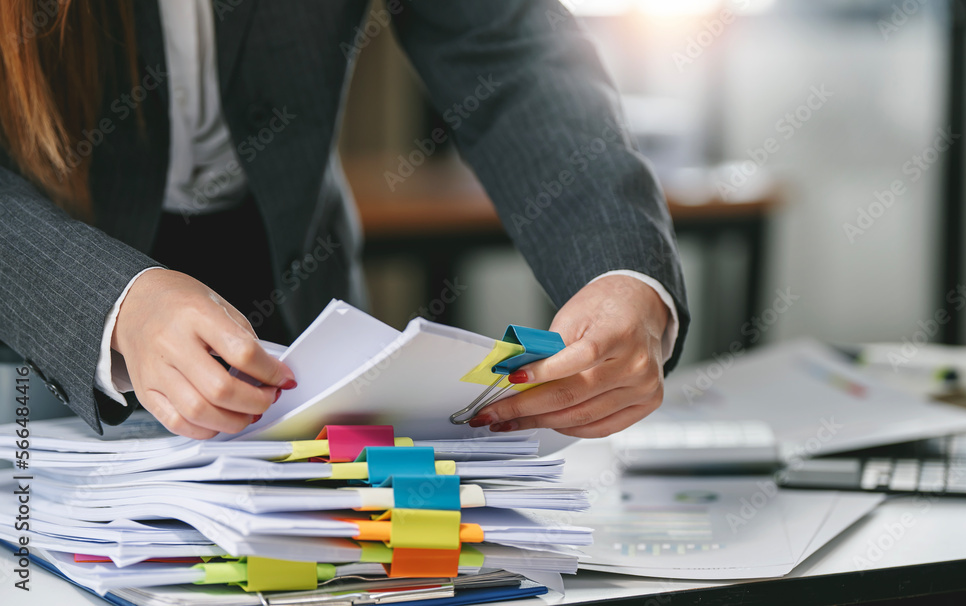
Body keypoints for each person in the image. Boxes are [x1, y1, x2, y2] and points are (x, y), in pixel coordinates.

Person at [0, 0, 690, 441]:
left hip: (292, 295)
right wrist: (115, 308)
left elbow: (508, 50)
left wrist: (621, 270)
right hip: (41, 318)